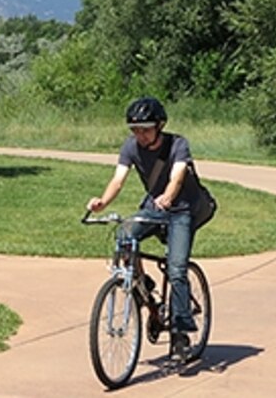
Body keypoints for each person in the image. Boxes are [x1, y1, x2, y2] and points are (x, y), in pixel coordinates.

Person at [86, 96, 201, 360]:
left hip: (180, 211)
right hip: (153, 208)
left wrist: (169, 196)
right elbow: (118, 180)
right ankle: (143, 286)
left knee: (177, 269)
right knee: (124, 234)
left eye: (146, 129)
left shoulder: (178, 145)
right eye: (135, 130)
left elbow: (177, 177)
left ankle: (181, 334)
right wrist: (102, 202)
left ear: (159, 125)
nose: (140, 135)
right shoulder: (130, 147)